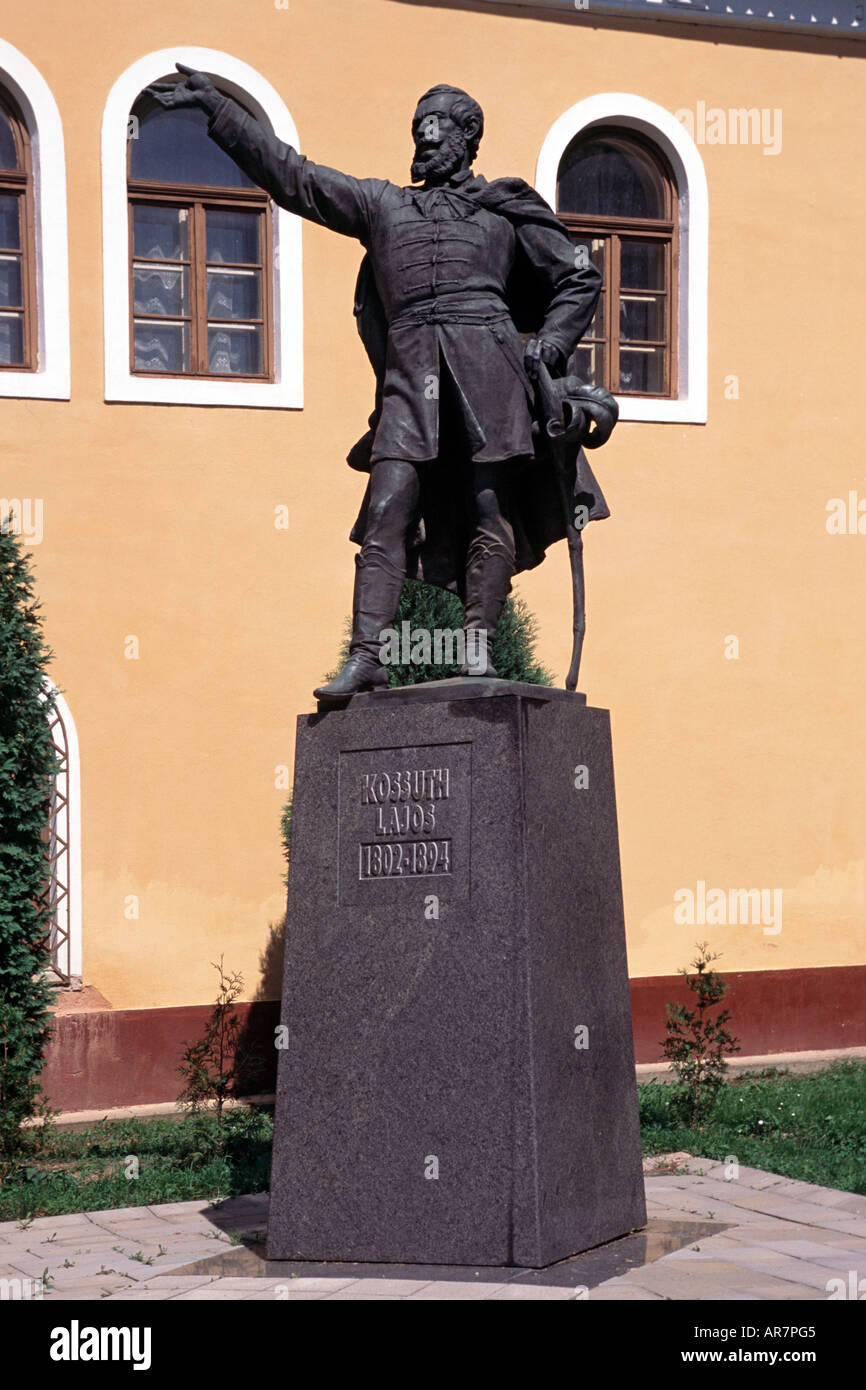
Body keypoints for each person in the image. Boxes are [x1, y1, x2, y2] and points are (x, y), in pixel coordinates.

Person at [147, 66, 603, 700]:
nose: (423, 138)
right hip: (411, 377)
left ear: (468, 136)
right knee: (387, 506)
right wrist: (218, 109)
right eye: (417, 128)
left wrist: (550, 346)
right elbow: (295, 177)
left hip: (490, 367)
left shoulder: (506, 208)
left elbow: (579, 275)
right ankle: (368, 655)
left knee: (489, 507)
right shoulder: (382, 204)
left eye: (435, 127)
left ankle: (478, 645)